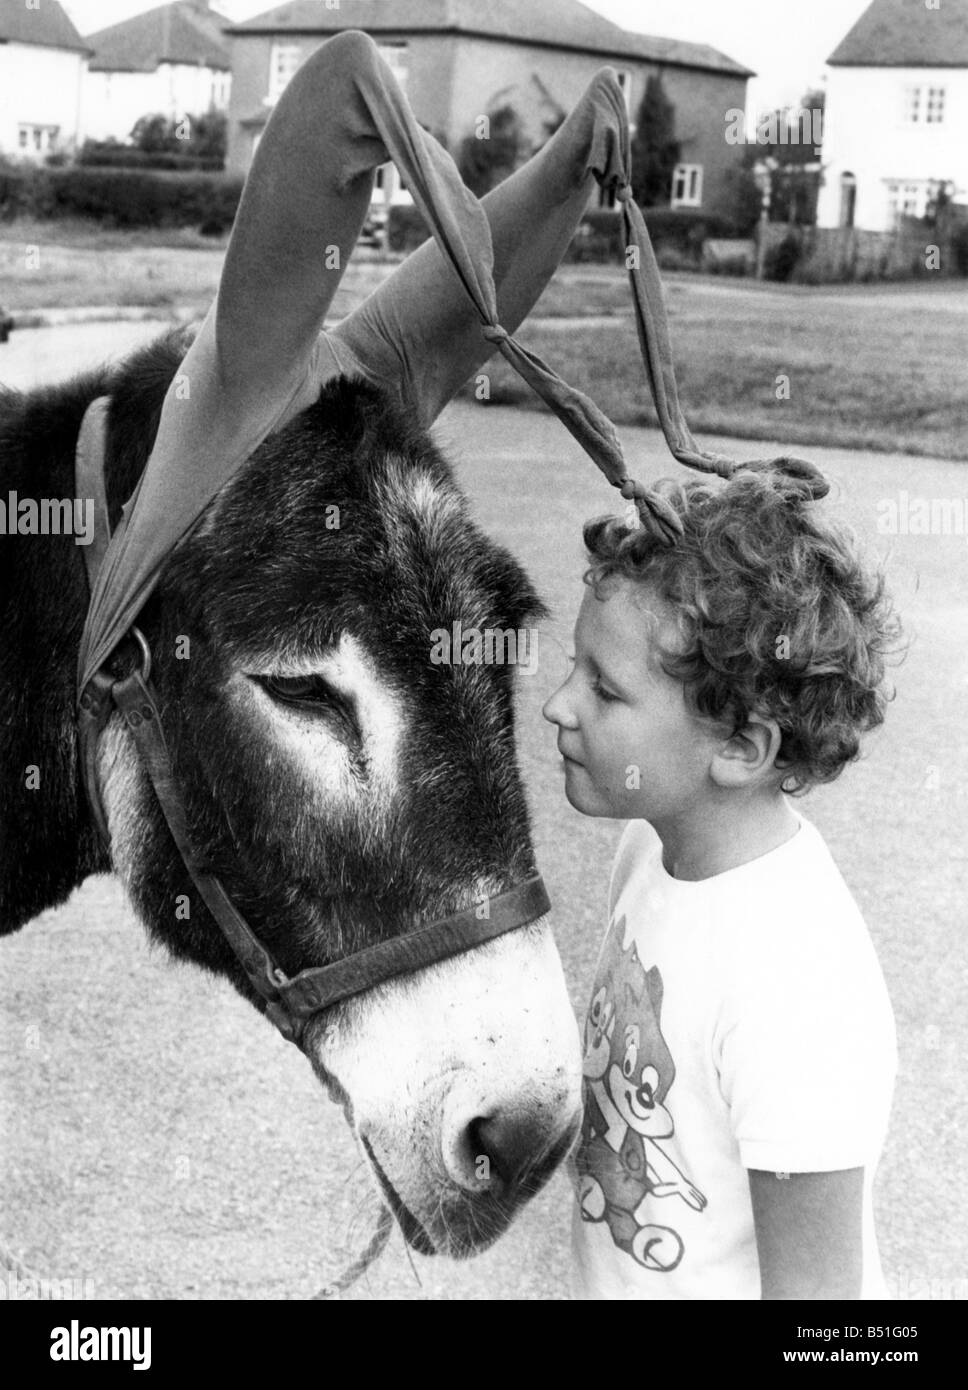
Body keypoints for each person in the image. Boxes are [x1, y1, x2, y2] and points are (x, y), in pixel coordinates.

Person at [542, 464, 901, 1300]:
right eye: (574, 668)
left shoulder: (793, 987)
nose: (559, 706)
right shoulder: (649, 846)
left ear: (741, 748)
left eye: (604, 688)